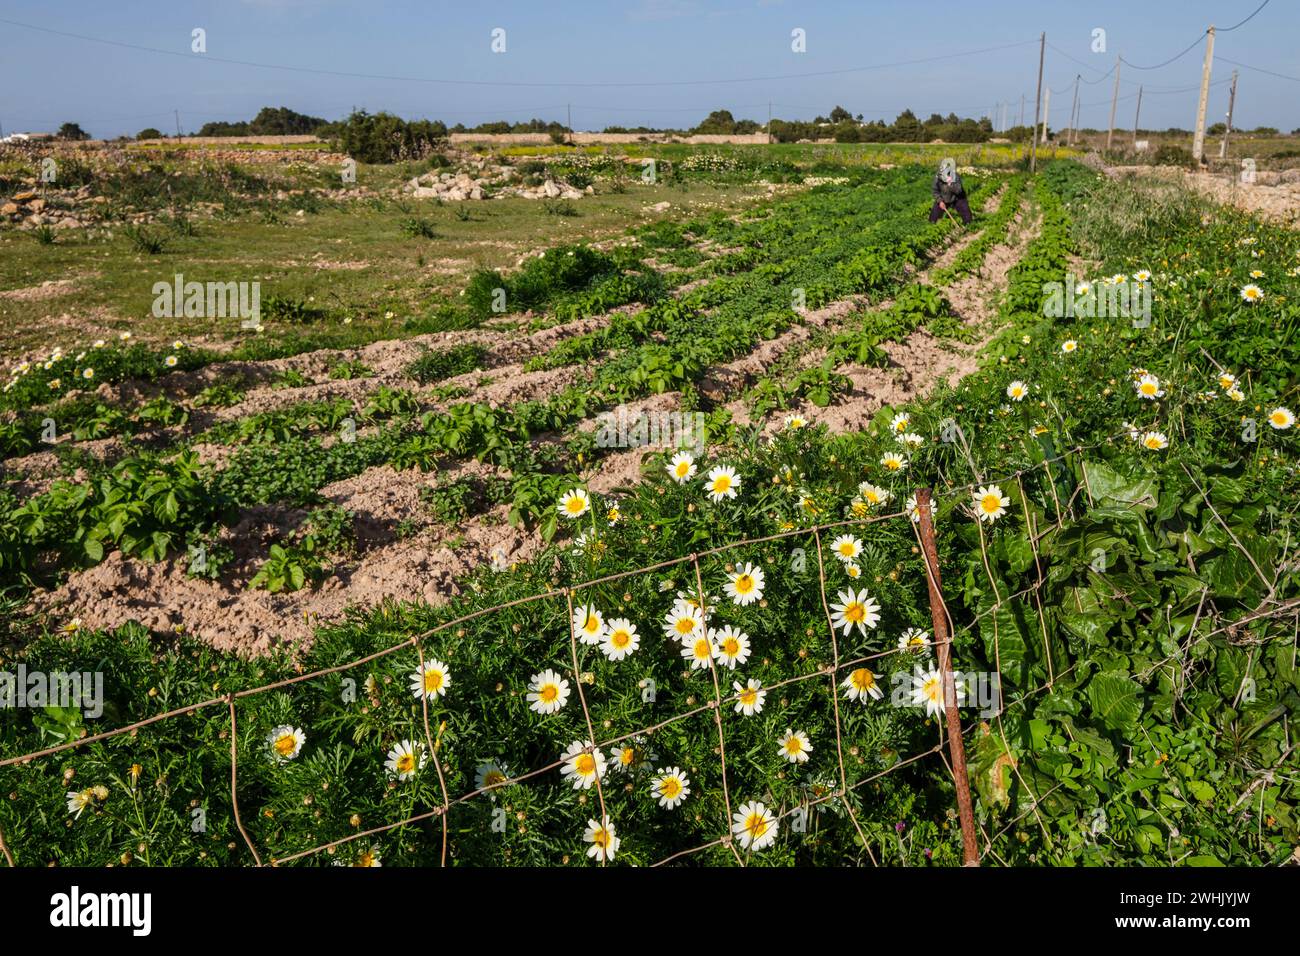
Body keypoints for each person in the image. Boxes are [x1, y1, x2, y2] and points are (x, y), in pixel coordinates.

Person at [930, 157, 972, 225]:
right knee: (933, 217)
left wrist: (950, 184)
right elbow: (935, 191)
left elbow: (959, 190)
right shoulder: (937, 177)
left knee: (967, 215)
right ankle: (932, 225)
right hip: (943, 198)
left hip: (957, 198)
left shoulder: (955, 176)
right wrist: (940, 201)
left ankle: (968, 225)